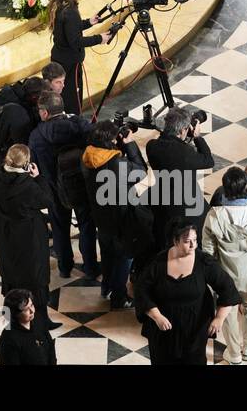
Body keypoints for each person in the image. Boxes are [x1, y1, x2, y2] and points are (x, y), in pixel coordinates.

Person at [135, 220, 240, 365]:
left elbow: (228, 289)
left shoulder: (204, 262)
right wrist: (157, 316)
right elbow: (141, 291)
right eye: (187, 241)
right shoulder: (157, 263)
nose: (193, 245)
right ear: (175, 241)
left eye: (195, 240)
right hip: (163, 329)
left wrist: (219, 318)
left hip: (194, 330)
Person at [202, 167, 247, 364]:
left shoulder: (214, 215)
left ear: (225, 190)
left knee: (228, 313)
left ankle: (234, 353)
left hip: (226, 277)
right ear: (246, 188)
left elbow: (207, 253)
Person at [82, 118, 151, 308]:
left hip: (101, 217)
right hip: (122, 219)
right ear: (112, 141)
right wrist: (129, 145)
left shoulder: (87, 157)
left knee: (107, 255)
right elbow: (142, 171)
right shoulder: (117, 164)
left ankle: (106, 288)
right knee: (125, 257)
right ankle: (118, 297)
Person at [0, 143, 53, 324]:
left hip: (5, 231)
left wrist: (3, 217)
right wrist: (39, 178)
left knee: (11, 272)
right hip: (29, 234)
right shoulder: (28, 185)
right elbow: (47, 200)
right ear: (27, 163)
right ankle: (41, 320)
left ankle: (13, 317)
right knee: (35, 276)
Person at [29, 91, 94, 278]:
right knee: (86, 227)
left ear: (44, 113)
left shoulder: (36, 136)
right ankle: (90, 268)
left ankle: (65, 267)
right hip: (81, 184)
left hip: (53, 189)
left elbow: (35, 165)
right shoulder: (79, 126)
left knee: (59, 229)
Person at [145, 105, 214, 252]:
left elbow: (167, 147)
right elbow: (208, 161)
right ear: (183, 130)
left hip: (162, 201)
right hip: (186, 205)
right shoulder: (185, 152)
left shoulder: (151, 146)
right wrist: (197, 137)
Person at [48, 0, 116, 113]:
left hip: (61, 60)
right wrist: (99, 39)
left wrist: (89, 23)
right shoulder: (70, 11)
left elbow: (69, 30)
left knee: (64, 97)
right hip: (69, 64)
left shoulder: (61, 6)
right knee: (72, 101)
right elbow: (75, 41)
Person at [0, 288, 56, 365]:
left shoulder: (39, 321)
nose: (32, 311)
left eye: (31, 305)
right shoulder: (8, 340)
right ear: (15, 313)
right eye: (26, 310)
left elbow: (50, 348)